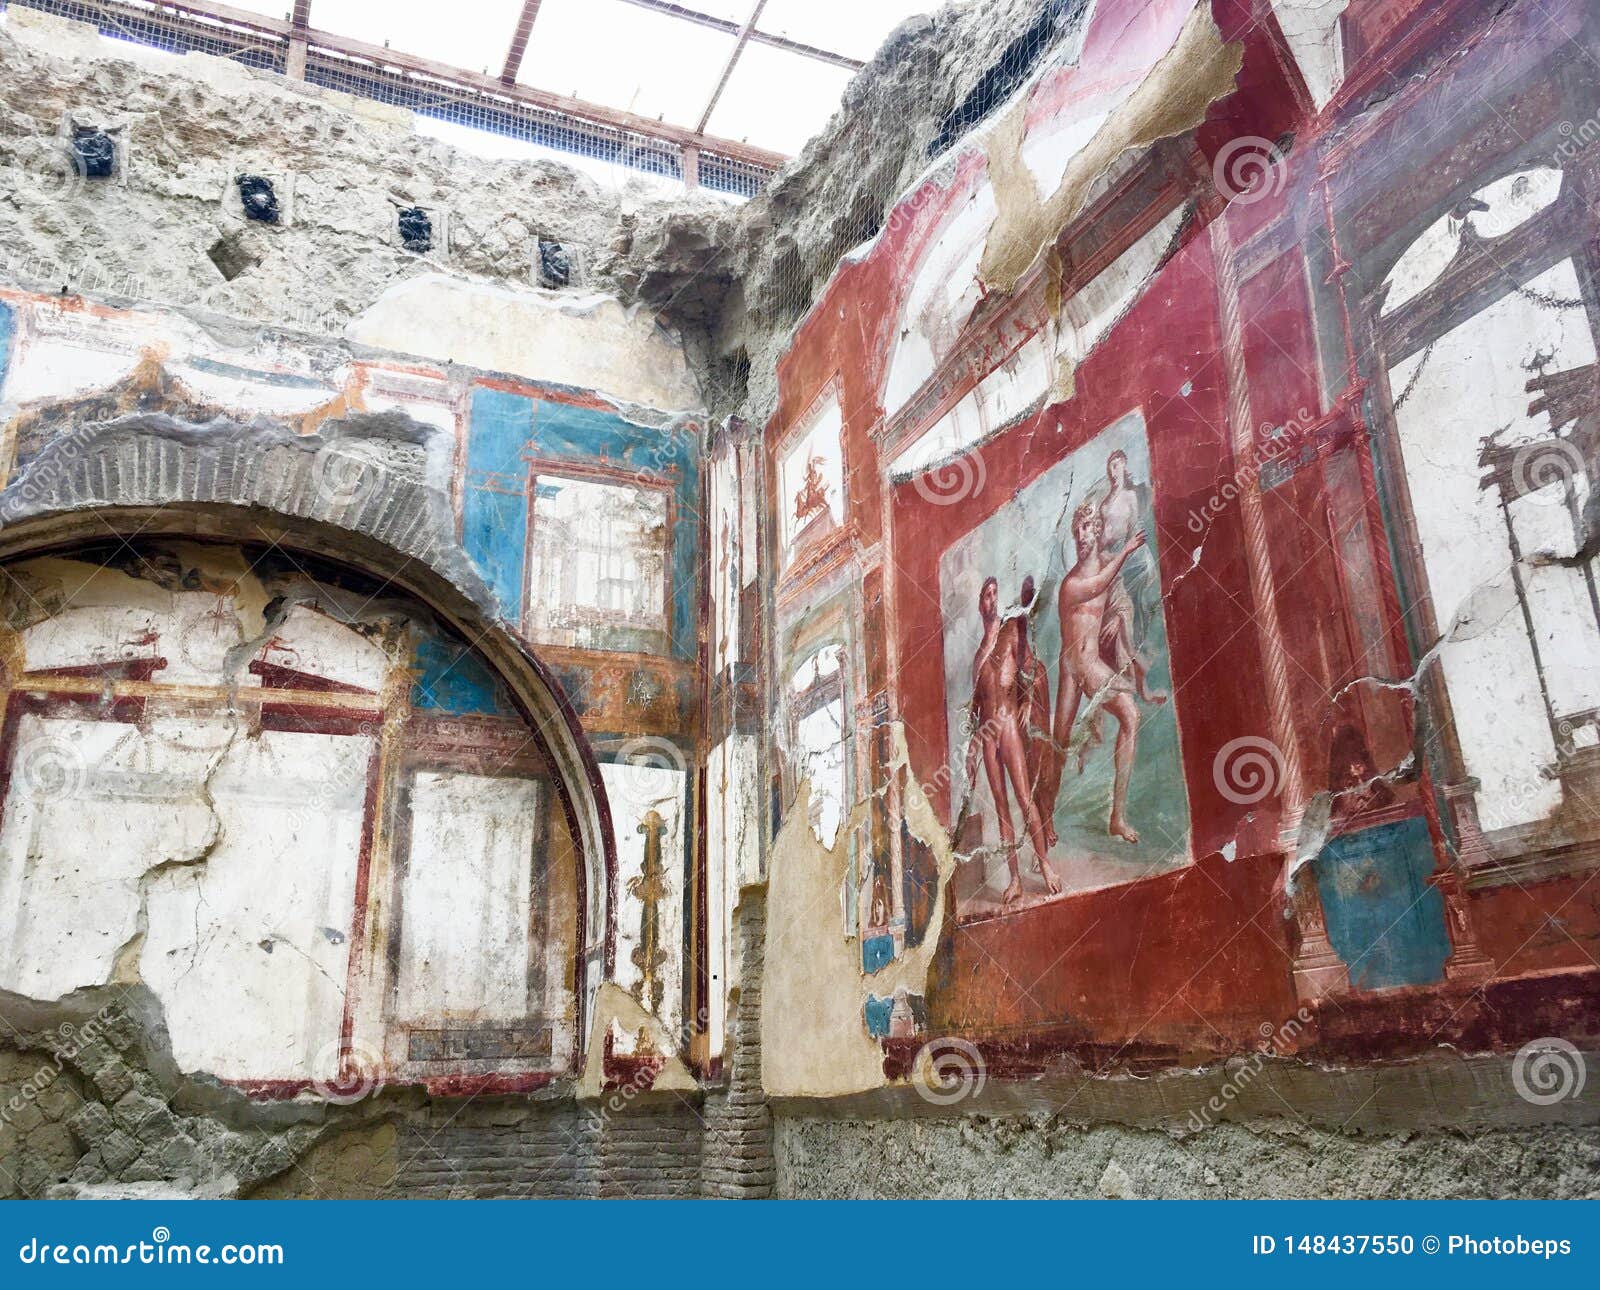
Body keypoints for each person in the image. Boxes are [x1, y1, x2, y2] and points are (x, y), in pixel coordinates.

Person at [1053, 503, 1147, 844]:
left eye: (1087, 528)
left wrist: (1118, 619)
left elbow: (1119, 599)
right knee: (1058, 745)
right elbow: (1095, 587)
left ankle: (1117, 817)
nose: (1080, 535)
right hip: (1070, 667)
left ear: (1097, 531)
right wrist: (1125, 550)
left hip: (1091, 664)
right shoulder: (1071, 583)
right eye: (1077, 529)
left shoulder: (1108, 567)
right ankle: (1044, 821)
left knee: (1131, 717)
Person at [965, 577, 1063, 904]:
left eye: (995, 594)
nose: (992, 601)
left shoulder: (1011, 632)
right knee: (1002, 808)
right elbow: (975, 707)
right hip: (987, 731)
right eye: (986, 596)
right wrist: (971, 752)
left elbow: (1029, 670)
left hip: (1007, 722)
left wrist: (1027, 702)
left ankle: (1046, 865)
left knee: (1024, 797)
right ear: (981, 605)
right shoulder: (979, 655)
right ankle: (1015, 880)